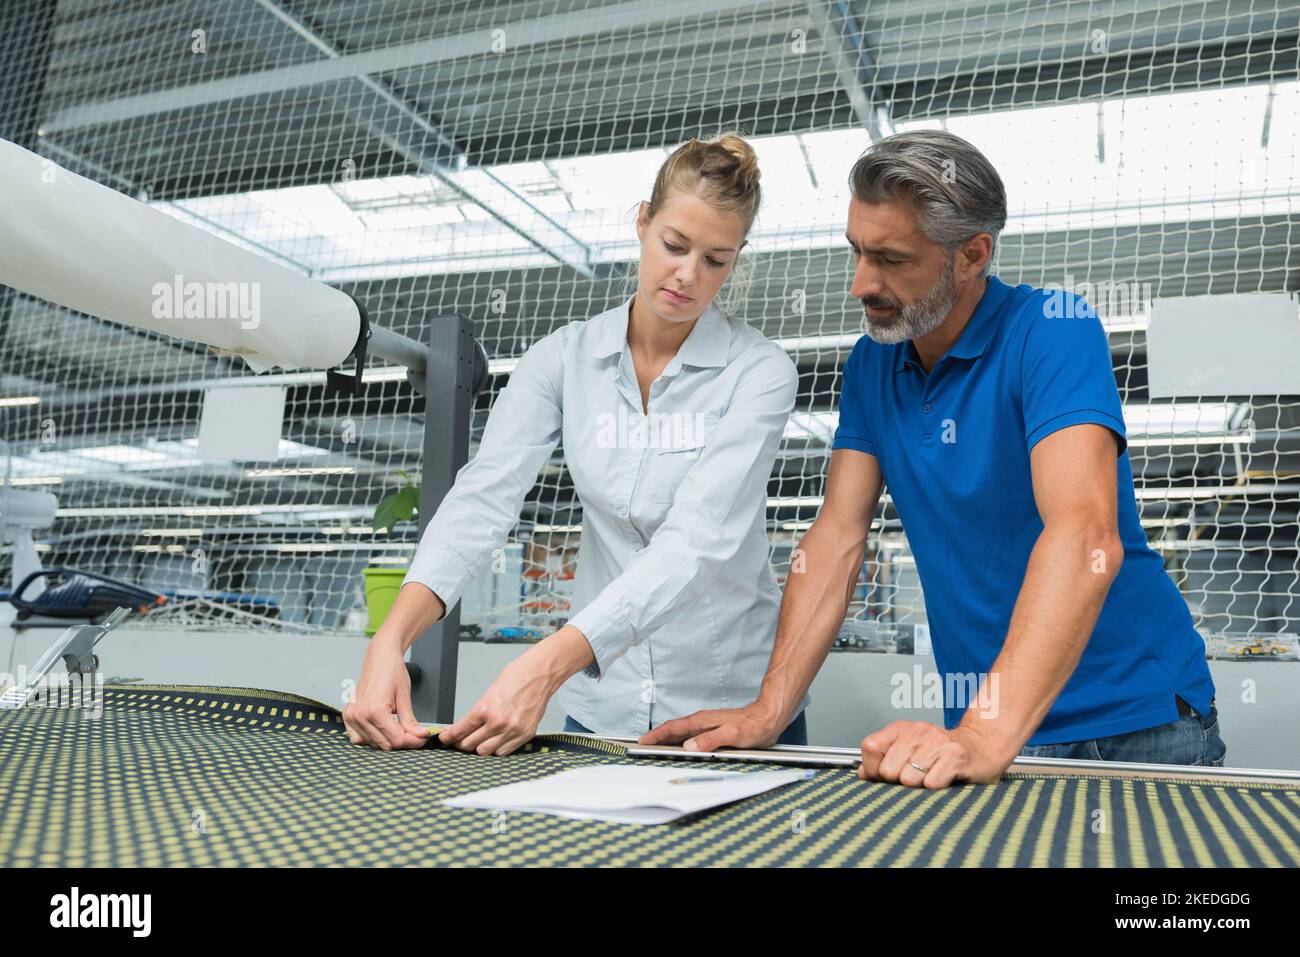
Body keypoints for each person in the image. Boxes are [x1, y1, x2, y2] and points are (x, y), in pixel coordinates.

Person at [643, 129, 1226, 787]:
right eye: (857, 251)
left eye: (891, 259)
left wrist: (983, 731)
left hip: (1131, 724)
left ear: (973, 254)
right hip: (983, 729)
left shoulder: (1053, 329)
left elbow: (1085, 534)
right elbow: (837, 535)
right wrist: (770, 708)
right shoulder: (872, 363)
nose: (863, 282)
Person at [344, 132, 807, 755]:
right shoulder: (562, 358)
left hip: (727, 704)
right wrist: (389, 641)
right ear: (641, 223)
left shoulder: (760, 371)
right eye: (674, 245)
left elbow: (696, 545)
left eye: (716, 259)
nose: (688, 275)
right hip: (602, 706)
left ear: (737, 256)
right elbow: (483, 500)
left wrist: (547, 665)